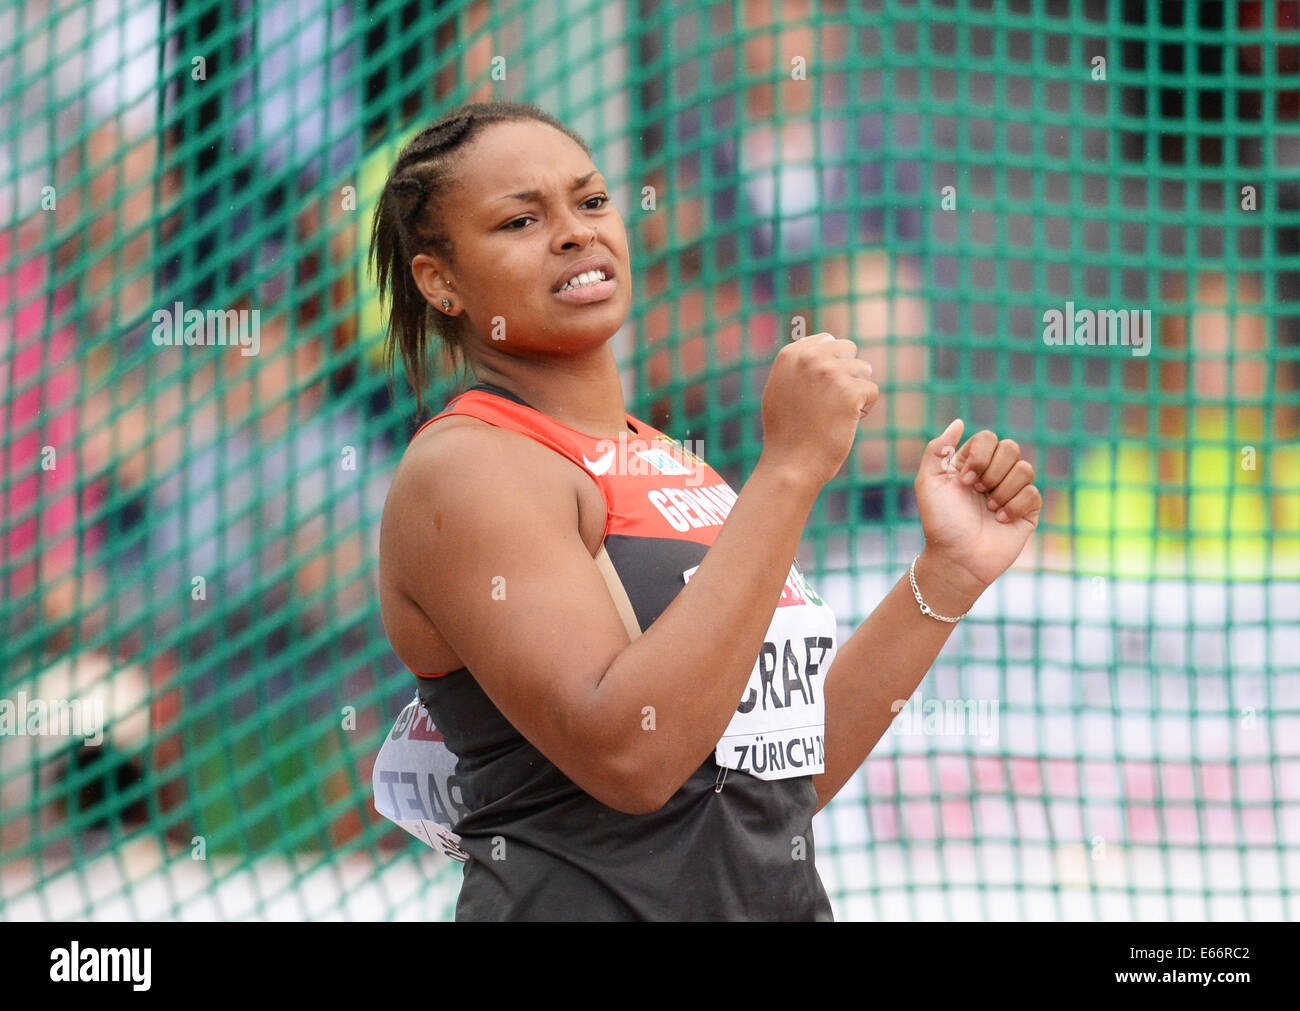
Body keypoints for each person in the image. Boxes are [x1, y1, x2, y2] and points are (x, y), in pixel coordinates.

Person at [371, 101, 1042, 921]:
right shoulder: (469, 466)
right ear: (439, 280)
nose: (577, 232)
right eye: (520, 219)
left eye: (590, 201)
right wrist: (791, 468)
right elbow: (634, 755)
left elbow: (777, 776)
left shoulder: (664, 457)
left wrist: (946, 574)